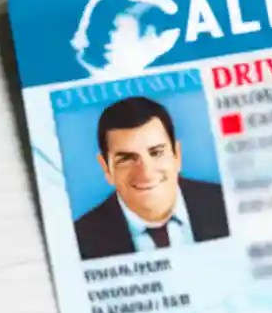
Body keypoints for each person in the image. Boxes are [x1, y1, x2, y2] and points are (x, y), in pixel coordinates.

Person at [73, 96, 229, 260]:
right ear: (106, 168)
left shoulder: (226, 204)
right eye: (126, 159)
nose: (146, 173)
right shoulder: (79, 242)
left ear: (177, 155)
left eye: (156, 152)